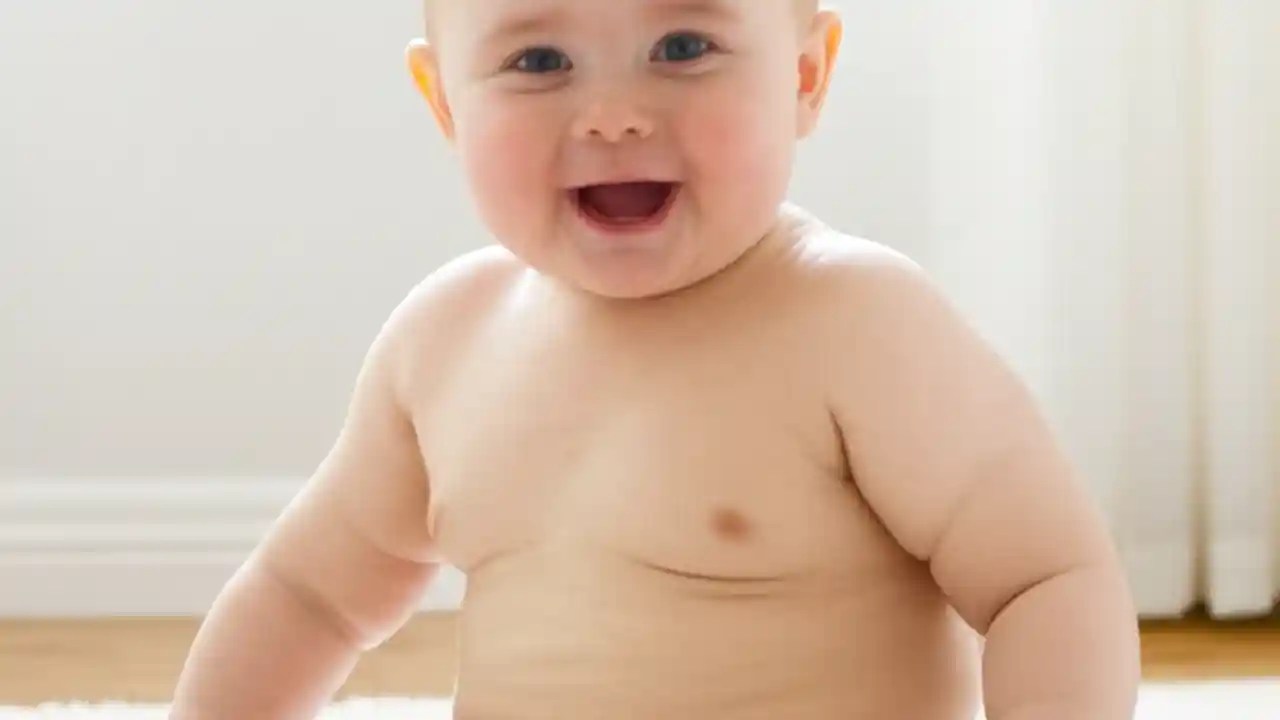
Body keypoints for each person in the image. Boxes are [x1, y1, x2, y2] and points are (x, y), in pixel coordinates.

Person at [171, 1, 1142, 718]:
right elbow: (307, 596)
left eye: (682, 47)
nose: (612, 113)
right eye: (539, 59)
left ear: (803, 76)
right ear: (446, 104)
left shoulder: (856, 323)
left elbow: (1043, 579)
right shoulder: (445, 341)